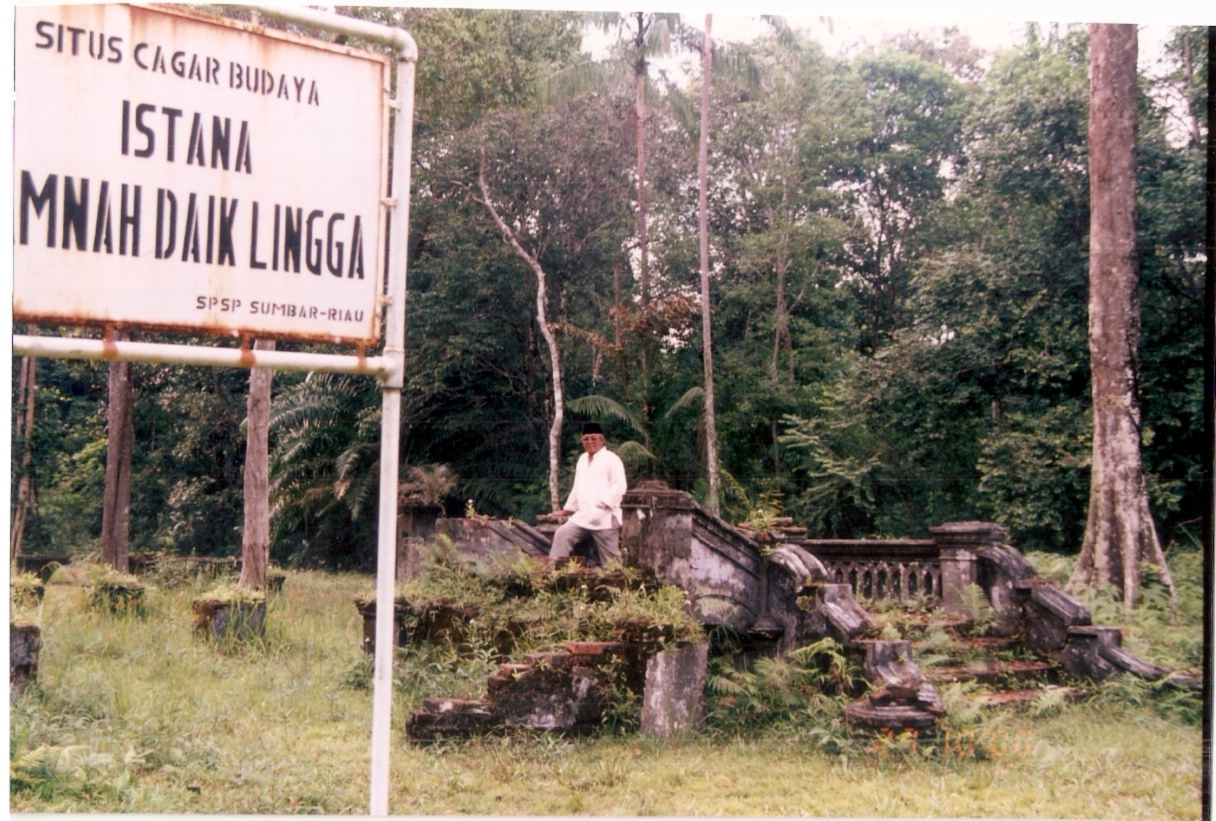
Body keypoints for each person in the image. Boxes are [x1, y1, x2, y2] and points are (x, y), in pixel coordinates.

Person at [549, 422, 627, 568]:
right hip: (582, 517)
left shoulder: (612, 459)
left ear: (602, 440)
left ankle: (618, 588)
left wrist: (605, 505)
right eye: (586, 439)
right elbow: (577, 488)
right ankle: (554, 574)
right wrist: (566, 510)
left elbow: (620, 486)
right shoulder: (582, 460)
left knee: (612, 564)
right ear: (582, 441)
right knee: (562, 534)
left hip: (605, 519)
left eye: (593, 438)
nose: (590, 442)